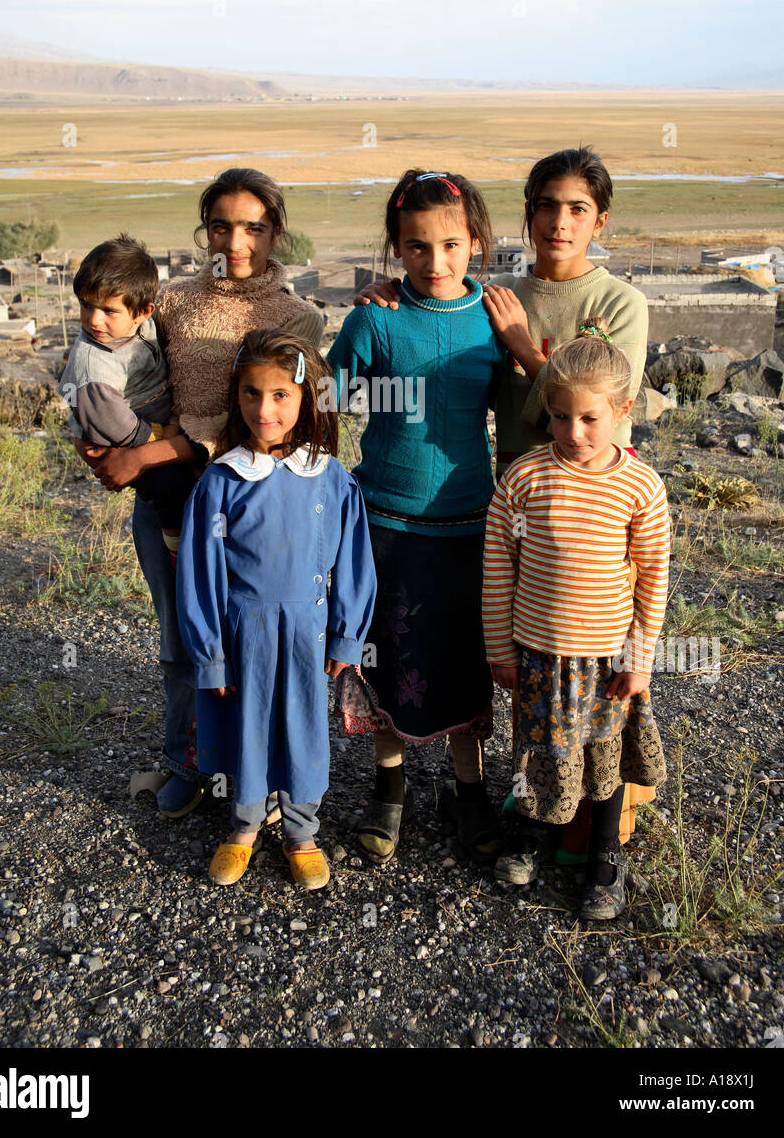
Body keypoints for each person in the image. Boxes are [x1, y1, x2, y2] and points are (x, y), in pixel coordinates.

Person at [355, 146, 652, 857]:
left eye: (577, 208)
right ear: (525, 217)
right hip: (514, 496)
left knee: (596, 660)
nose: (559, 221)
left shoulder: (616, 303)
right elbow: (440, 356)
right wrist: (389, 302)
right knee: (523, 661)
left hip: (593, 502)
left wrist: (524, 345)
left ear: (599, 219)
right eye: (546, 206)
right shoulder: (496, 297)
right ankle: (517, 803)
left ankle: (601, 824)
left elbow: (600, 399)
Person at [74, 169, 324, 818]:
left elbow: (256, 419)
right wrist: (96, 442)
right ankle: (185, 763)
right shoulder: (177, 302)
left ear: (276, 233)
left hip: (256, 509)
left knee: (252, 646)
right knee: (182, 642)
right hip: (169, 498)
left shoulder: (299, 317)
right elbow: (137, 380)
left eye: (253, 228)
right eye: (221, 226)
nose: (235, 242)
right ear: (204, 230)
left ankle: (258, 776)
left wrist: (144, 454)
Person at [328, 170, 509, 867]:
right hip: (387, 525)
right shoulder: (378, 316)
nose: (435, 263)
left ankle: (470, 793)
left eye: (451, 246)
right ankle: (390, 791)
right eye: (416, 247)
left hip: (469, 525)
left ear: (477, 243)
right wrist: (354, 322)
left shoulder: (493, 318)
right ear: (395, 248)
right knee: (388, 659)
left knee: (463, 662)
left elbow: (525, 409)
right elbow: (333, 396)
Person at [176, 330, 377, 891]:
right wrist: (211, 654)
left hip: (308, 634)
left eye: (280, 396)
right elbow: (200, 572)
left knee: (303, 729)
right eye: (250, 393)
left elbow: (355, 564)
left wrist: (345, 637)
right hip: (243, 633)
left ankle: (302, 832)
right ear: (235, 396)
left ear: (308, 398)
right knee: (245, 727)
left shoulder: (331, 478)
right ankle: (243, 827)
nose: (264, 409)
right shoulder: (222, 480)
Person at [482, 323, 669, 919]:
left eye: (589, 419)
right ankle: (532, 838)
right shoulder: (525, 478)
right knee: (535, 752)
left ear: (622, 409)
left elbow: (651, 579)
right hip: (538, 653)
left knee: (604, 757)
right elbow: (498, 567)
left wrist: (640, 660)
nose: (573, 433)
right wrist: (500, 651)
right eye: (560, 417)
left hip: (607, 660)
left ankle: (605, 858)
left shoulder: (640, 488)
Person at [60, 235, 195, 560]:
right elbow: (110, 422)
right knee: (169, 485)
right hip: (122, 438)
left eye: (108, 310)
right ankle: (177, 554)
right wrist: (158, 436)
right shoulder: (94, 365)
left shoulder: (144, 328)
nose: (94, 319)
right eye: (86, 305)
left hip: (149, 422)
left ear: (143, 312)